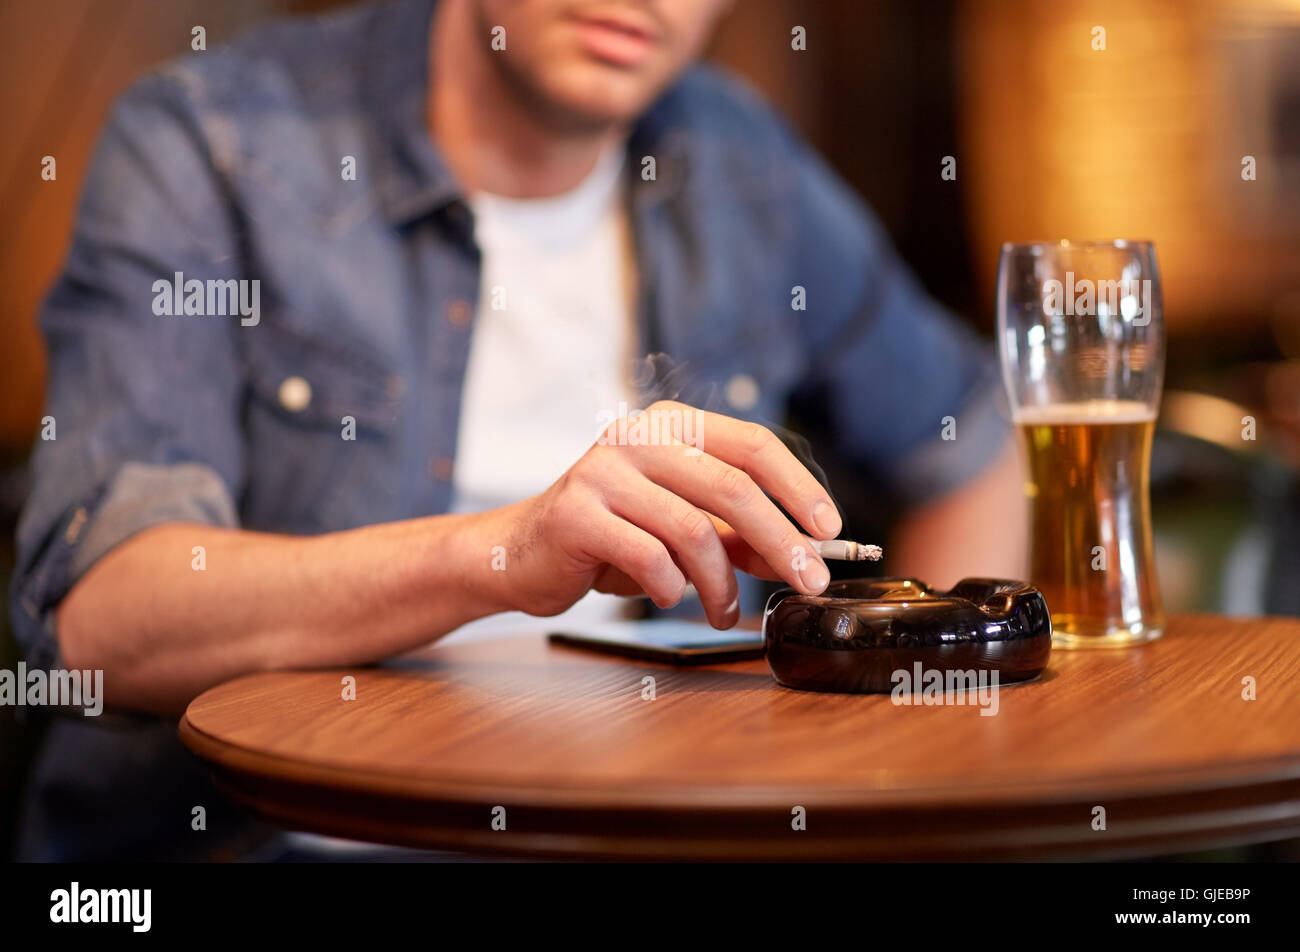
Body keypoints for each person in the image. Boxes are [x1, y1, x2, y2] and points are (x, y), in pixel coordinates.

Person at [10, 0, 1024, 860]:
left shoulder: (740, 166)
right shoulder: (210, 141)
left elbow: (974, 447)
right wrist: (507, 553)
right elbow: (99, 619)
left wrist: (894, 764)